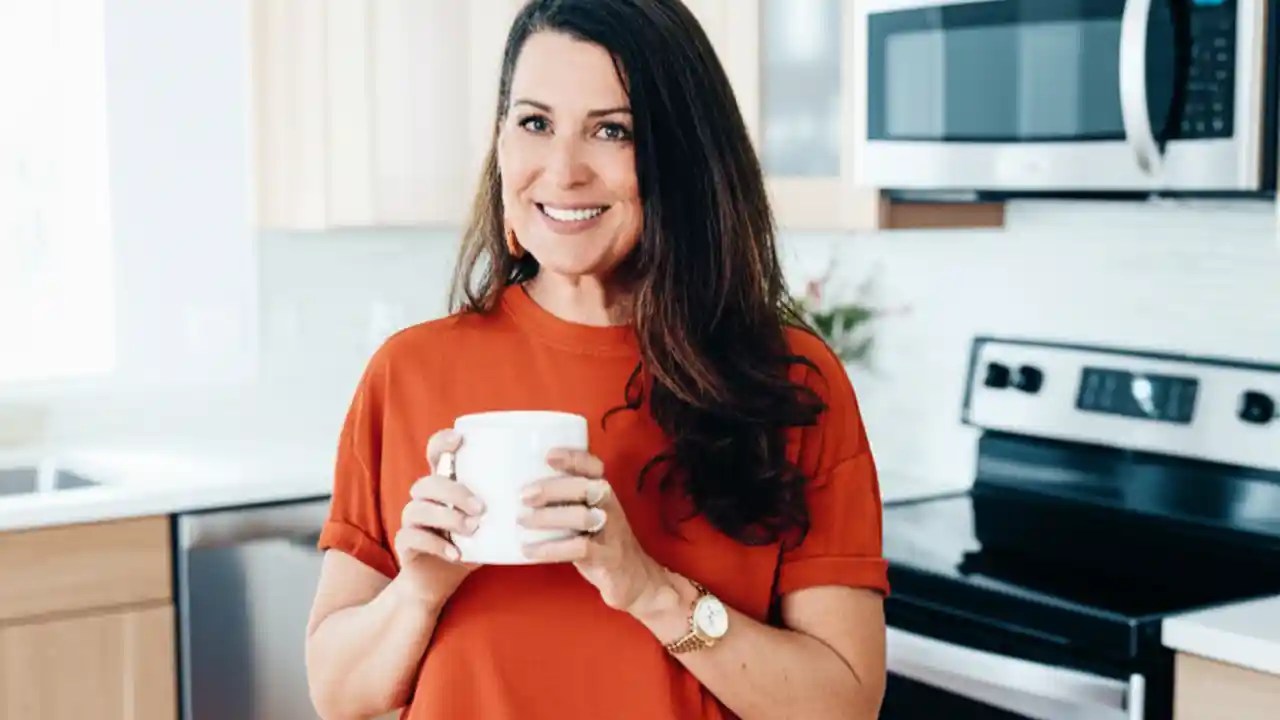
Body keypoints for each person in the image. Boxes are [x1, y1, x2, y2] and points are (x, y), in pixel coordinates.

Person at [304, 1, 888, 718]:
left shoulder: (790, 381)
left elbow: (843, 705)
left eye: (612, 130)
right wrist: (420, 590)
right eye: (535, 123)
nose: (563, 170)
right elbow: (338, 694)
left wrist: (649, 590)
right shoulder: (408, 372)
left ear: (685, 155)